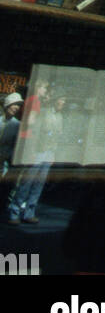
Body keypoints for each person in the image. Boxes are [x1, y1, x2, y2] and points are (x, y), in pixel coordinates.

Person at [8, 86, 64, 225]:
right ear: (56, 100)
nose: (64, 103)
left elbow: (57, 137)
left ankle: (29, 212)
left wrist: (53, 155)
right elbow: (35, 132)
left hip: (48, 153)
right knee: (26, 183)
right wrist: (31, 151)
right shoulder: (44, 113)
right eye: (62, 99)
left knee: (38, 184)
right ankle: (14, 213)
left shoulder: (60, 117)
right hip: (37, 151)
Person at [0, 92, 22, 175]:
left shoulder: (17, 125)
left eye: (19, 105)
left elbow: (14, 148)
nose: (17, 108)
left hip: (3, 165)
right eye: (15, 104)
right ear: (7, 104)